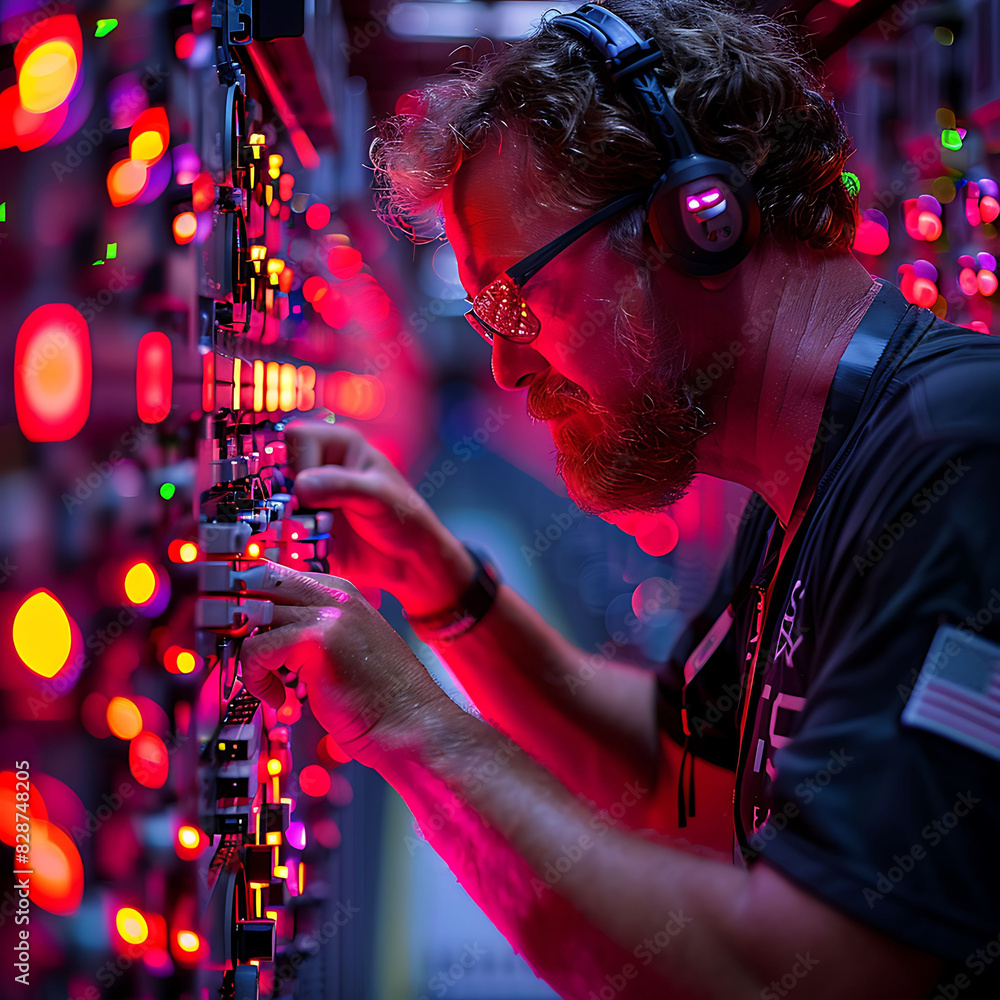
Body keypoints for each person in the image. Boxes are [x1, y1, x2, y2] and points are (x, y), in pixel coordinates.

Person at [242, 1, 1000, 996]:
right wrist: (440, 586)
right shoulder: (807, 479)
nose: (506, 366)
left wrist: (409, 723)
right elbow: (672, 785)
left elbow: (799, 977)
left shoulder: (958, 462)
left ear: (696, 220)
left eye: (513, 299)